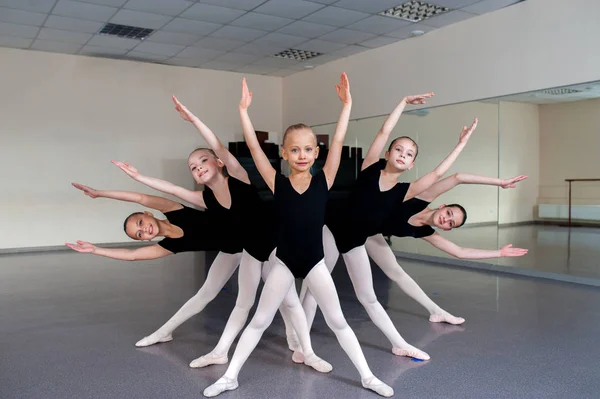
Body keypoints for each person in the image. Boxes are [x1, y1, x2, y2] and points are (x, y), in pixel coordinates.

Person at [203, 74, 393, 398]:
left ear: (315, 153)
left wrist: (347, 106)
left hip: (315, 263)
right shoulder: (277, 182)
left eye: (307, 149)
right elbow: (252, 147)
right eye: (295, 150)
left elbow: (338, 142)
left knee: (338, 321)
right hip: (285, 263)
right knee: (259, 320)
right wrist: (244, 112)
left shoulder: (325, 180)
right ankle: (230, 376)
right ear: (285, 154)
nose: (302, 154)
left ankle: (368, 377)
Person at [110, 96, 330, 372]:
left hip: (276, 246)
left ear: (218, 163)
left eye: (203, 160)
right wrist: (139, 177)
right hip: (250, 250)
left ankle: (305, 350)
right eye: (193, 166)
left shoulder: (238, 177)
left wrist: (193, 120)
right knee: (243, 303)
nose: (199, 166)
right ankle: (221, 351)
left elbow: (216, 144)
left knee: (289, 301)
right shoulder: (205, 199)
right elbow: (169, 189)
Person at [290, 94, 479, 360]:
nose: (403, 154)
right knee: (315, 289)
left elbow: (437, 174)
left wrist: (461, 144)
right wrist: (402, 103)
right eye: (399, 149)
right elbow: (384, 130)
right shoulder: (369, 167)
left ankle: (398, 343)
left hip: (355, 240)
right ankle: (302, 346)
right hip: (331, 229)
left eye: (409, 154)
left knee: (368, 297)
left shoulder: (405, 191)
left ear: (412, 164)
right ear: (388, 153)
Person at [65, 183, 243, 348]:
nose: (144, 230)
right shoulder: (168, 246)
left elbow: (139, 198)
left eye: (141, 223)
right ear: (145, 240)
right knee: (204, 294)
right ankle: (164, 332)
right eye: (140, 234)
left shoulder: (174, 210)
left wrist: (100, 194)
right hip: (232, 252)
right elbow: (132, 255)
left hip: (255, 242)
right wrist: (96, 250)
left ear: (148, 213)